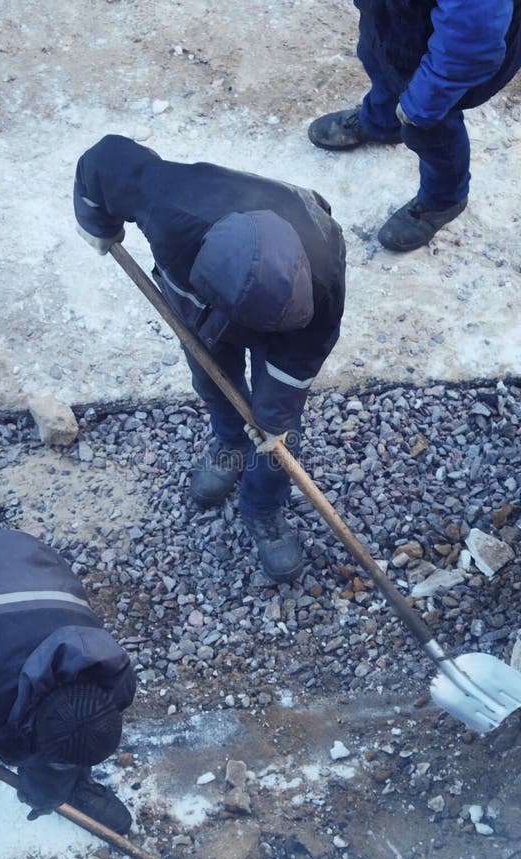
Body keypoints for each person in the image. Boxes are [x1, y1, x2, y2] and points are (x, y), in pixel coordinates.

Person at [74, 134, 346, 583]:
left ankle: (263, 507)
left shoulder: (323, 286)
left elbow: (293, 372)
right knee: (209, 378)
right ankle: (231, 442)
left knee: (276, 428)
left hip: (290, 309)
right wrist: (95, 221)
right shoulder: (170, 203)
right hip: (199, 304)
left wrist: (272, 422)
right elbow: (103, 161)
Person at [308, 0, 521, 252]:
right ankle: (382, 122)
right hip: (395, 21)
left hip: (452, 55)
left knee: (430, 126)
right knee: (382, 64)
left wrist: (426, 98)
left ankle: (444, 198)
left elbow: (471, 40)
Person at [0, 529, 136, 834]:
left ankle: (71, 785)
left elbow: (76, 730)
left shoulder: (116, 678)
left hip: (15, 552)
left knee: (74, 732)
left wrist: (52, 785)